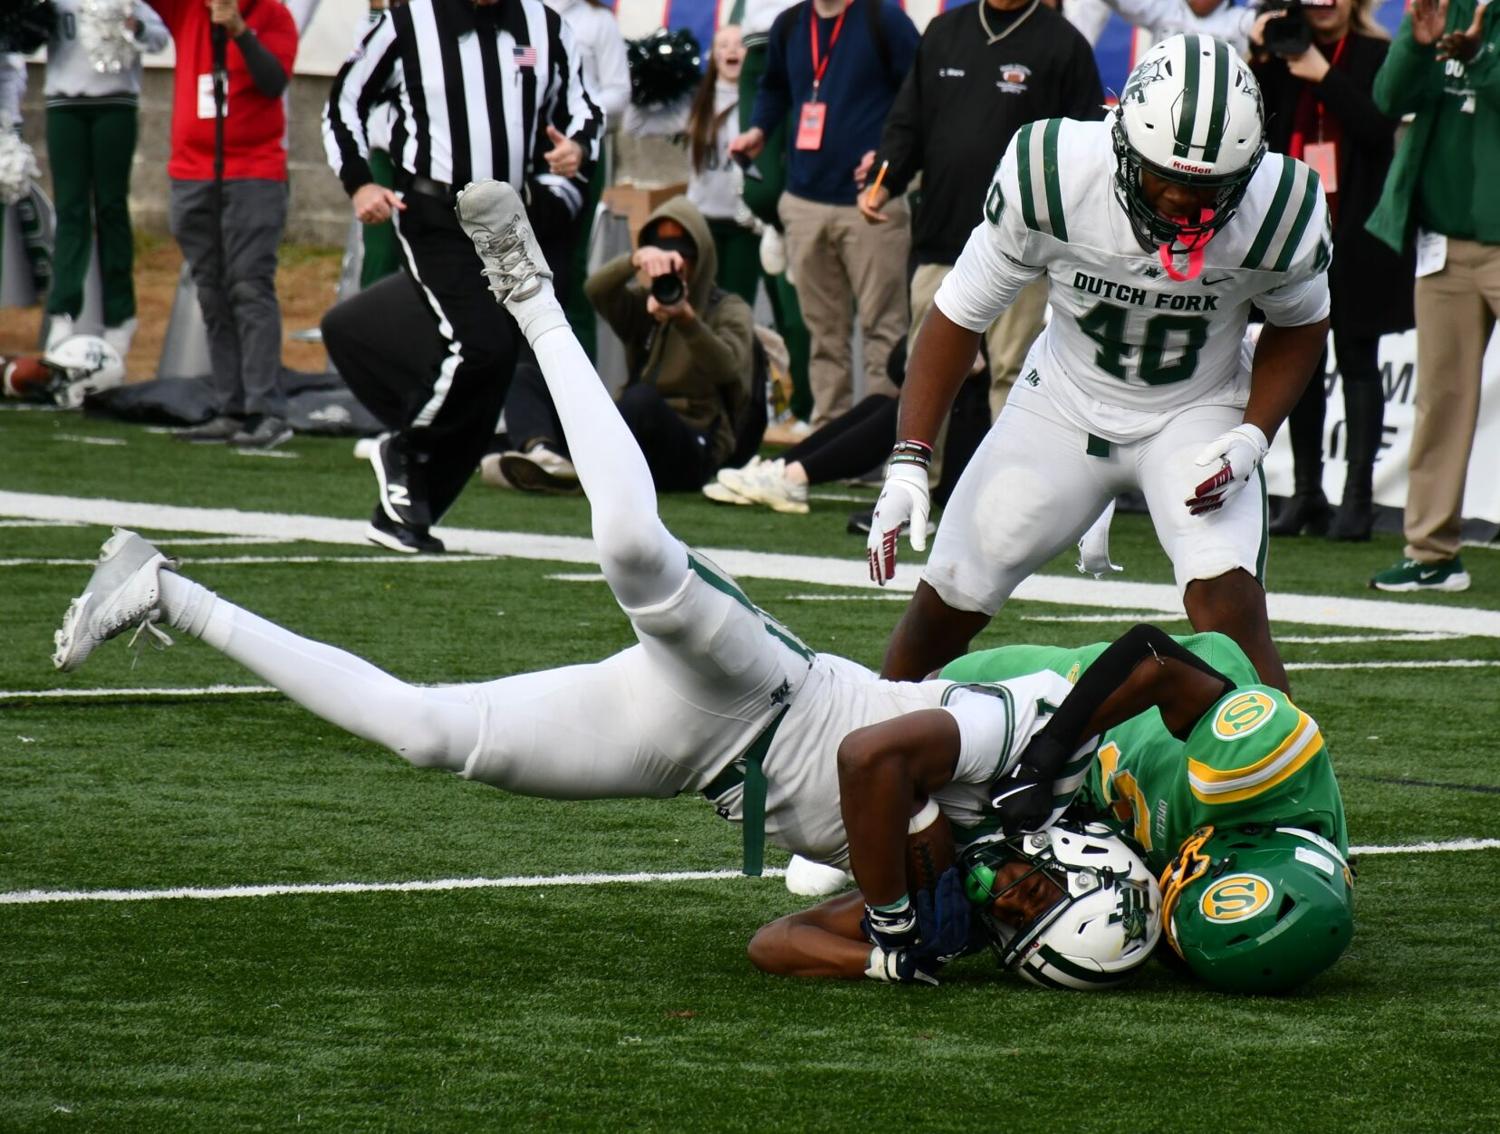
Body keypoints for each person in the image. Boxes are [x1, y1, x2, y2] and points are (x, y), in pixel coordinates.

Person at [54, 179, 1215, 987]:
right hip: (764, 686)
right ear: (1065, 867)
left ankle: (165, 591)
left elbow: (773, 943)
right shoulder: (1020, 762)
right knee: (633, 553)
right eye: (1028, 909)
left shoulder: (950, 902)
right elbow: (1144, 662)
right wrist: (1184, 740)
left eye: (1015, 933)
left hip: (693, 759)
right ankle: (532, 297)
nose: (1006, 917)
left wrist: (895, 944)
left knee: (429, 735)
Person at [867, 34, 1333, 695]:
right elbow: (959, 311)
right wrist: (911, 458)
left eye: (1206, 186)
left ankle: (1282, 787)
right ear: (1122, 141)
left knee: (1231, 614)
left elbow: (1302, 322)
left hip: (1192, 411)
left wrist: (1253, 435)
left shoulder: (1279, 206)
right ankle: (878, 748)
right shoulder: (1055, 170)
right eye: (1163, 176)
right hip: (1059, 404)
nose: (1178, 200)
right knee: (946, 601)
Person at [322, 0, 604, 553]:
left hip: (507, 218)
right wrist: (359, 182)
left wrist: (577, 145)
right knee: (479, 346)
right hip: (432, 213)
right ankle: (403, 449)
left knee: (496, 364)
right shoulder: (408, 23)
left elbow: (581, 106)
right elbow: (343, 103)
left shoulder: (545, 26)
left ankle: (407, 513)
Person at [859, 0, 1104, 486]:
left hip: (1023, 245)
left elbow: (1088, 144)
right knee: (925, 368)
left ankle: (1010, 496)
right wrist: (885, 180)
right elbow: (908, 121)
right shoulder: (944, 31)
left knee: (1012, 374)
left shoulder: (1064, 43)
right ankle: (911, 491)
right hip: (941, 237)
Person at [1251, 0, 1412, 542]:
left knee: (1359, 361)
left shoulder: (1378, 54)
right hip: (1298, 238)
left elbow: (1377, 127)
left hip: (1360, 234)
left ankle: (1359, 500)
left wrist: (1324, 76)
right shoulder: (1281, 52)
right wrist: (1255, 56)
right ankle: (1306, 493)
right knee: (1301, 361)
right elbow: (1255, 128)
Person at [730, 0, 920, 429]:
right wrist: (759, 130)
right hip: (804, 201)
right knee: (823, 334)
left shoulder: (883, 19)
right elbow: (774, 86)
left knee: (883, 330)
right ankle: (829, 433)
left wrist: (889, 155)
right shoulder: (790, 23)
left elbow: (919, 92)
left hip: (871, 201)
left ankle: (879, 439)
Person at [1365, 0, 1499, 592]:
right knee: (1439, 401)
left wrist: (1480, 61)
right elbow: (1389, 99)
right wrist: (1418, 45)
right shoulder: (1438, 7)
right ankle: (1432, 552)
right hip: (1443, 241)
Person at [496, 197, 755, 493]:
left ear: (702, 258)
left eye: (682, 260)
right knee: (528, 376)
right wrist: (634, 259)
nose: (673, 270)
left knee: (641, 400)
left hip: (692, 445)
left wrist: (687, 320)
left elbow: (729, 370)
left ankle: (580, 474)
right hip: (629, 429)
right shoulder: (646, 303)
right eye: (664, 260)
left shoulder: (727, 309)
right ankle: (544, 455)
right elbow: (596, 291)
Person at [150, 0, 298, 450]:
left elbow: (273, 82)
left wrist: (238, 30)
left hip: (253, 174)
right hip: (192, 175)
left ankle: (265, 410)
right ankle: (230, 407)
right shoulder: (187, 11)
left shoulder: (273, 16)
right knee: (211, 290)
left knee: (249, 287)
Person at [40, 1, 169, 359]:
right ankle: (62, 315)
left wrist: (134, 27)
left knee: (112, 207)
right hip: (64, 103)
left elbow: (159, 37)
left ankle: (120, 319)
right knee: (69, 209)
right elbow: (26, 39)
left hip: (116, 103)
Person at [625, 24, 762, 305]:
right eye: (723, 45)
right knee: (699, 303)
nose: (732, 50)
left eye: (740, 44)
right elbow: (634, 125)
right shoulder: (695, 101)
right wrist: (642, 83)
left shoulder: (762, 101)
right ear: (713, 56)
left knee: (737, 307)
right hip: (701, 223)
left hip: (745, 224)